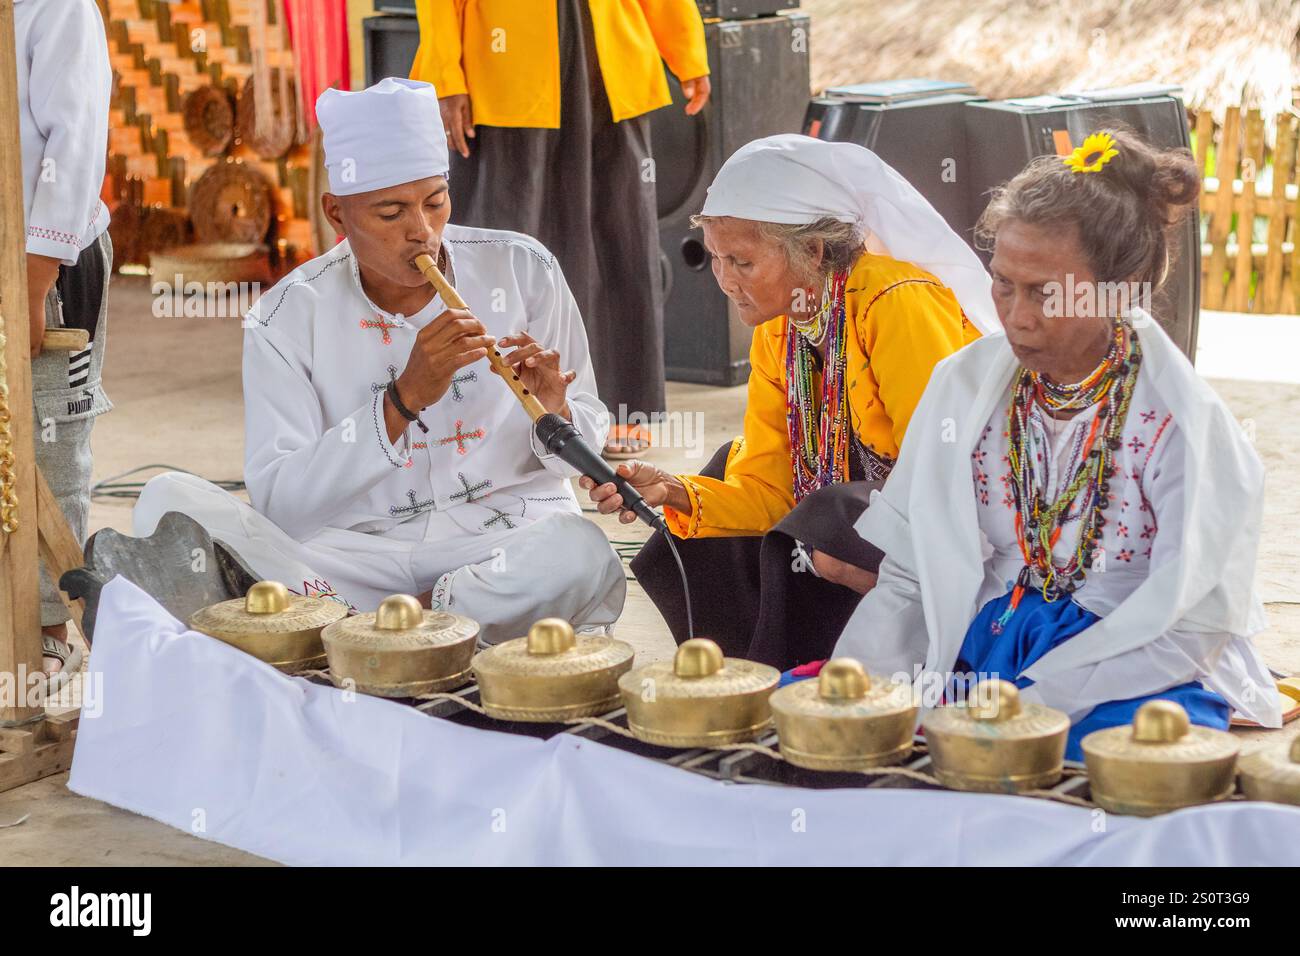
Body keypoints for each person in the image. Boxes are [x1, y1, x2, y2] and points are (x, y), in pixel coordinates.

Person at [831, 129, 1282, 757]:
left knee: (1101, 758)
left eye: (1044, 292)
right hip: (990, 635)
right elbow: (910, 577)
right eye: (1003, 283)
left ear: (1119, 289)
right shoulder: (964, 386)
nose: (1017, 315)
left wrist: (1033, 710)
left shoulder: (1182, 426)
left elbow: (1191, 626)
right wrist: (860, 689)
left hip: (1129, 660)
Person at [134, 78, 625, 645]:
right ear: (337, 215)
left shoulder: (522, 268)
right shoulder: (286, 316)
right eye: (391, 213)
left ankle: (363, 636)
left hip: (501, 541)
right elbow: (283, 507)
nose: (422, 232)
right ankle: (384, 630)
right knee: (167, 503)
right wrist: (402, 400)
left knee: (580, 552)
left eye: (435, 201)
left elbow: (584, 456)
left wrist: (554, 410)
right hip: (351, 562)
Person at [584, 135, 999, 668]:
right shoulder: (780, 327)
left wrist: (833, 521)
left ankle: (932, 650)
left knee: (825, 521)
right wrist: (672, 491)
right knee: (707, 509)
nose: (726, 281)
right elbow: (769, 486)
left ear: (814, 251)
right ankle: (754, 677)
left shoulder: (893, 301)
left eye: (743, 262)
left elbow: (944, 473)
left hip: (954, 514)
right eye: (716, 259)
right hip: (857, 504)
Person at [410, 0, 711, 456]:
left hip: (609, 59)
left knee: (619, 236)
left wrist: (686, 50)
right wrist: (445, 74)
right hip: (504, 63)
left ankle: (617, 406)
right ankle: (493, 415)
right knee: (505, 246)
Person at [15, 0, 114, 689]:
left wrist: (33, 274)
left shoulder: (57, 6)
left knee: (45, 436)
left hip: (45, 258)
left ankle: (52, 628)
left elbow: (73, 137)